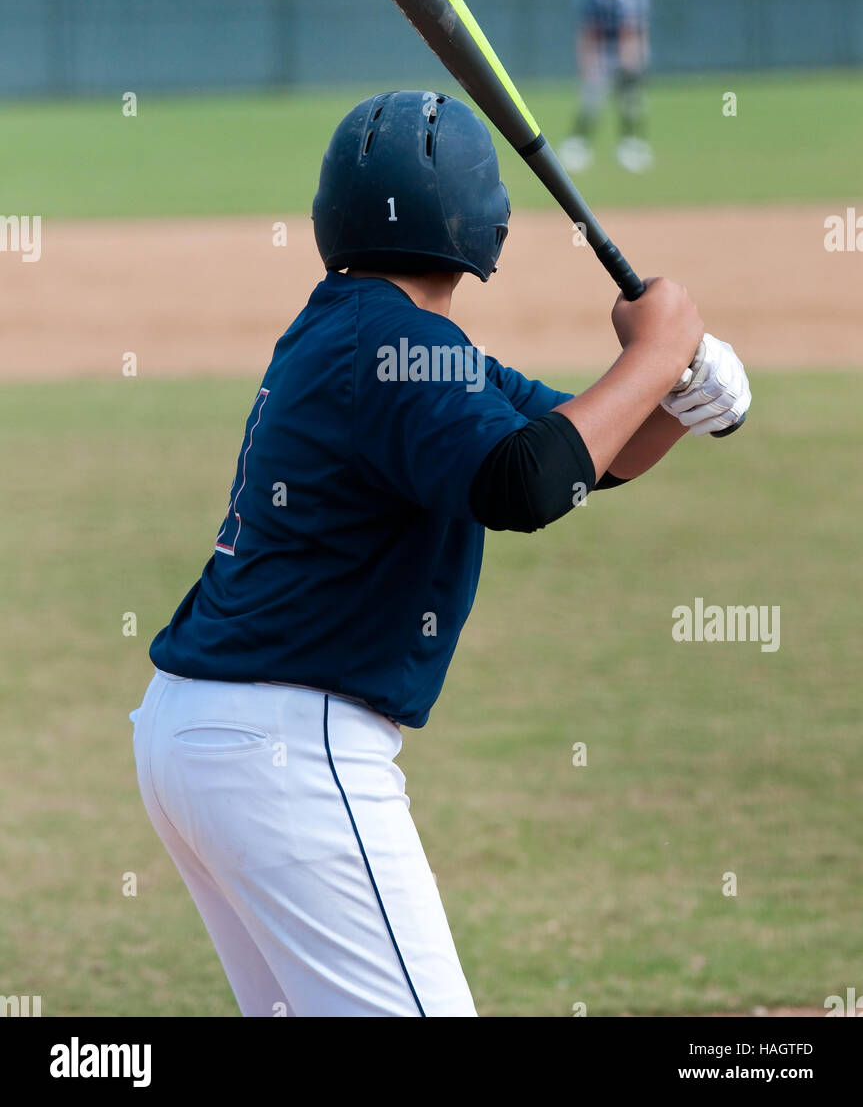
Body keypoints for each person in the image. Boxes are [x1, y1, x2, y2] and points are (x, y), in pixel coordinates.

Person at [130, 89, 750, 1018]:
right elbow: (523, 484)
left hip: (209, 733)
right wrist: (658, 352)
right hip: (287, 747)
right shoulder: (398, 344)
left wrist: (673, 395)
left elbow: (577, 453)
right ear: (480, 221)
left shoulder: (373, 334)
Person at [560, 0, 653, 175]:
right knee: (591, 101)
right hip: (603, 51)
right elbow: (588, 29)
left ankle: (631, 146)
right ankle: (578, 146)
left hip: (628, 49)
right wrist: (587, 60)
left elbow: (636, 25)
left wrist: (636, 54)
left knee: (631, 102)